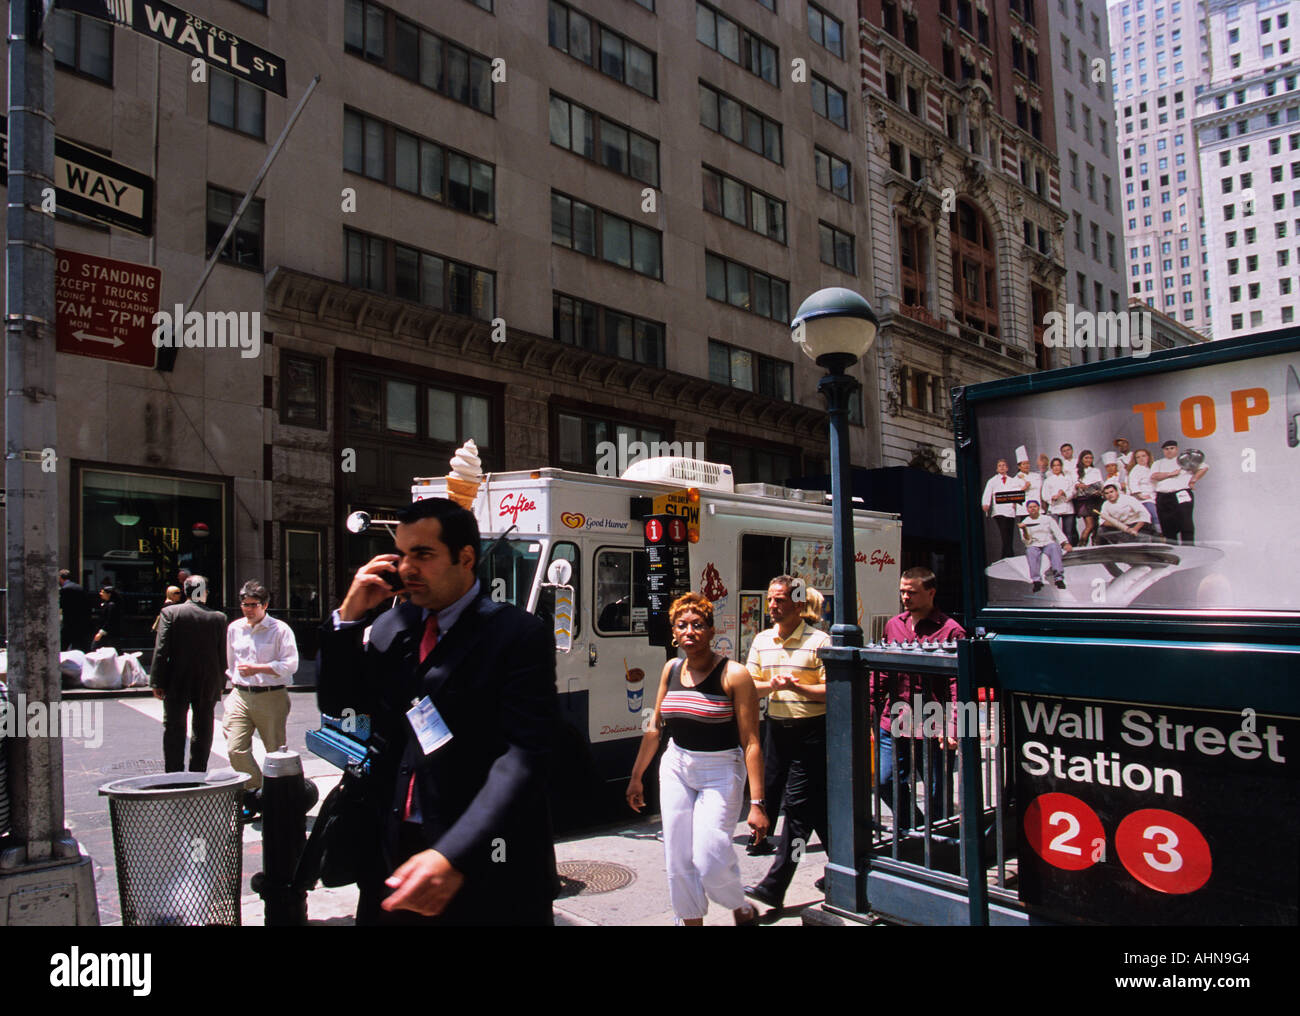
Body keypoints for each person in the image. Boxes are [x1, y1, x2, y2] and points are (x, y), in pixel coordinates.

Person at [318, 497, 559, 925]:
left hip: (483, 860)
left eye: (423, 555)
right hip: (396, 855)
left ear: (464, 558)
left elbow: (523, 756)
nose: (407, 568)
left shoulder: (516, 634)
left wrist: (454, 854)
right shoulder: (393, 625)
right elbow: (343, 706)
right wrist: (350, 616)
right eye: (403, 554)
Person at [628, 592, 767, 926]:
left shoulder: (734, 675)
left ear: (711, 630)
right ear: (674, 633)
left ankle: (738, 904)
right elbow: (655, 728)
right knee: (678, 858)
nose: (689, 632)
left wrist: (758, 803)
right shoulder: (671, 669)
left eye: (697, 625)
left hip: (721, 769)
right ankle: (689, 921)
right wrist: (636, 777)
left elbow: (750, 742)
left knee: (709, 855)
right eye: (682, 626)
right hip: (676, 765)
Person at [743, 578, 831, 912]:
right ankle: (846, 868)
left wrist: (800, 689)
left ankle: (774, 887)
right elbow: (749, 685)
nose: (773, 606)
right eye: (770, 600)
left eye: (780, 601)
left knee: (795, 810)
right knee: (814, 809)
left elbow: (832, 689)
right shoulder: (763, 640)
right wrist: (772, 685)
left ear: (797, 605)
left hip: (812, 731)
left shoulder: (820, 641)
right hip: (777, 730)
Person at [873, 567, 966, 831]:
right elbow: (881, 673)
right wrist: (869, 711)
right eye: (902, 591)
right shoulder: (893, 625)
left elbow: (957, 685)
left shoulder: (951, 631)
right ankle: (914, 827)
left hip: (932, 721)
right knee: (884, 780)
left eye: (912, 592)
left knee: (938, 790)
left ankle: (938, 844)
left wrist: (953, 727)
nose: (905, 597)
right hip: (894, 718)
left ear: (931, 592)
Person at [223, 580, 299, 818]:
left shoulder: (280, 629)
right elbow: (231, 662)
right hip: (241, 694)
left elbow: (291, 665)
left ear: (265, 605)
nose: (248, 609)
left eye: (253, 604)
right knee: (236, 748)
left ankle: (276, 799)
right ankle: (255, 791)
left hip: (271, 695)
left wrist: (259, 668)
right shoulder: (235, 628)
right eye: (244, 604)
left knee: (275, 751)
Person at [151, 575, 228, 772]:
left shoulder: (170, 613)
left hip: (177, 679)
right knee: (203, 728)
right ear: (205, 593)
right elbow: (222, 654)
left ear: (185, 592)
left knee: (174, 728)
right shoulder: (218, 618)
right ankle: (198, 771)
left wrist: (157, 682)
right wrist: (220, 684)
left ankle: (174, 773)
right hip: (207, 680)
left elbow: (161, 650)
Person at [1150, 440, 1208, 544]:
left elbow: (1204, 467)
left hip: (1181, 494)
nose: (1169, 451)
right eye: (1166, 449)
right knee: (1167, 527)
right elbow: (1154, 476)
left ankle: (1189, 550)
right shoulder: (1158, 463)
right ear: (1163, 451)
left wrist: (1193, 480)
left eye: (1172, 448)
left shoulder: (1184, 460)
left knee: (1186, 524)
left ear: (1176, 449)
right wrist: (1169, 474)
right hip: (1163, 496)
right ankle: (1173, 554)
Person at [1018, 500, 1072, 591]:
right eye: (1030, 507)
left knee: (1055, 548)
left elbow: (1057, 531)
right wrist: (1024, 530)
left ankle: (1059, 578)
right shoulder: (1025, 522)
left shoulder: (1048, 519)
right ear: (1027, 510)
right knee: (1030, 552)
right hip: (1034, 544)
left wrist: (1064, 543)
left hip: (1048, 542)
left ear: (1039, 508)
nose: (1033, 509)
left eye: (1034, 506)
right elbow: (1027, 541)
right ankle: (1036, 581)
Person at [981, 459, 1021, 560]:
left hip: (1010, 511)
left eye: (1004, 465)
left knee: (1009, 535)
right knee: (1005, 535)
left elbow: (1017, 493)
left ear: (1007, 468)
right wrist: (986, 504)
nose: (1002, 467)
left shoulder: (1012, 480)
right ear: (997, 469)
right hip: (999, 511)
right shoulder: (992, 481)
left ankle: (1005, 558)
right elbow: (987, 493)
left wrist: (1015, 503)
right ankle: (1010, 556)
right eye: (1000, 466)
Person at [1041, 457, 1077, 545]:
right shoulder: (1048, 480)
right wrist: (1052, 498)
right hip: (1054, 507)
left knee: (1068, 533)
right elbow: (1044, 495)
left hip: (1067, 507)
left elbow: (1073, 491)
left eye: (1058, 465)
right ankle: (1055, 551)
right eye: (1054, 466)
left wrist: (1064, 494)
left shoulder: (1068, 478)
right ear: (1051, 467)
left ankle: (1069, 552)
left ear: (1061, 467)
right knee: (1053, 532)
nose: (1056, 468)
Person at [58, 569, 95, 652]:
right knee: (80, 646)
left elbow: (61, 604)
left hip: (69, 622)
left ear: (60, 578)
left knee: (62, 646)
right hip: (81, 623)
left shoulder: (64, 589)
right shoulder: (79, 587)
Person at [1072, 449, 1104, 546]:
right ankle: (1081, 546)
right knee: (1090, 525)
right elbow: (1075, 484)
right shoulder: (1076, 471)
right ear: (1081, 459)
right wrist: (1079, 486)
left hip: (1096, 500)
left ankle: (1095, 545)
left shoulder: (1096, 470)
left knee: (1096, 526)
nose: (1088, 460)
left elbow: (1100, 484)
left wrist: (1097, 490)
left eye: (1090, 458)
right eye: (1086, 458)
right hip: (1085, 501)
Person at [1126, 447, 1160, 530]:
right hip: (1144, 500)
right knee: (1154, 517)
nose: (1141, 459)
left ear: (1148, 457)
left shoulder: (1150, 469)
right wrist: (1140, 495)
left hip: (1153, 497)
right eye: (1138, 457)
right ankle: (1159, 534)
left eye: (1143, 456)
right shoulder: (1136, 469)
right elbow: (1133, 483)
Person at [92, 584, 122, 651]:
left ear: (109, 594)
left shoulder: (112, 605)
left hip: (108, 634)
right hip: (107, 634)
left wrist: (101, 633)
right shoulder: (107, 604)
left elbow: (109, 620)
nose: (100, 594)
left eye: (103, 592)